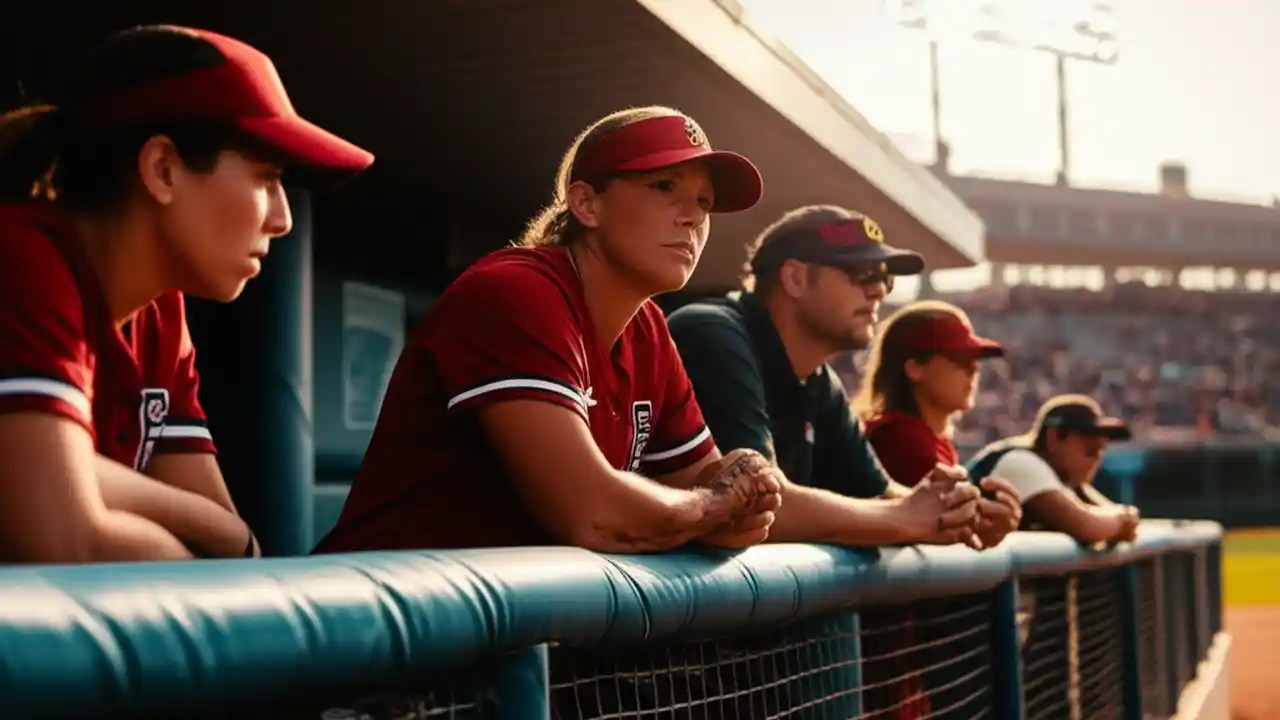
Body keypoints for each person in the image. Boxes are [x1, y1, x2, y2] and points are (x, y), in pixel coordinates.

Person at [315, 106, 782, 554]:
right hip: (378, 621)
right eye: (664, 186)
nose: (694, 216)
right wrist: (713, 504)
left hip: (497, 628)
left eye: (705, 202)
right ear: (586, 203)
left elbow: (712, 503)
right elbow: (596, 513)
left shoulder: (648, 331)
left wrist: (737, 494)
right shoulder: (517, 291)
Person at [0, 25, 375, 563]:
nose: (283, 219)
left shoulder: (161, 314)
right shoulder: (22, 255)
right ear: (163, 169)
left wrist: (86, 475)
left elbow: (228, 541)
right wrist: (189, 540)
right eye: (266, 178)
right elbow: (59, 539)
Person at [669, 205, 1014, 549]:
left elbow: (881, 497)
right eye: (862, 273)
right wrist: (908, 517)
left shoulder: (819, 379)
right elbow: (753, 505)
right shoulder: (713, 333)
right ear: (795, 278)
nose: (879, 291)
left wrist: (962, 515)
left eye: (884, 277)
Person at [853, 299, 1022, 548]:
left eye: (975, 365)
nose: (973, 372)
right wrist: (981, 517)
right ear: (915, 368)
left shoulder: (929, 437)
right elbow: (943, 521)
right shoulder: (899, 435)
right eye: (961, 361)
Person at [967, 394, 1140, 544]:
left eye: (1101, 451)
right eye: (1090, 450)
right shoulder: (1019, 461)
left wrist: (1121, 518)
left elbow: (1116, 515)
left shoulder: (1064, 479)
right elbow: (1086, 525)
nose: (1096, 459)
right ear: (1054, 438)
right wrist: (1120, 521)